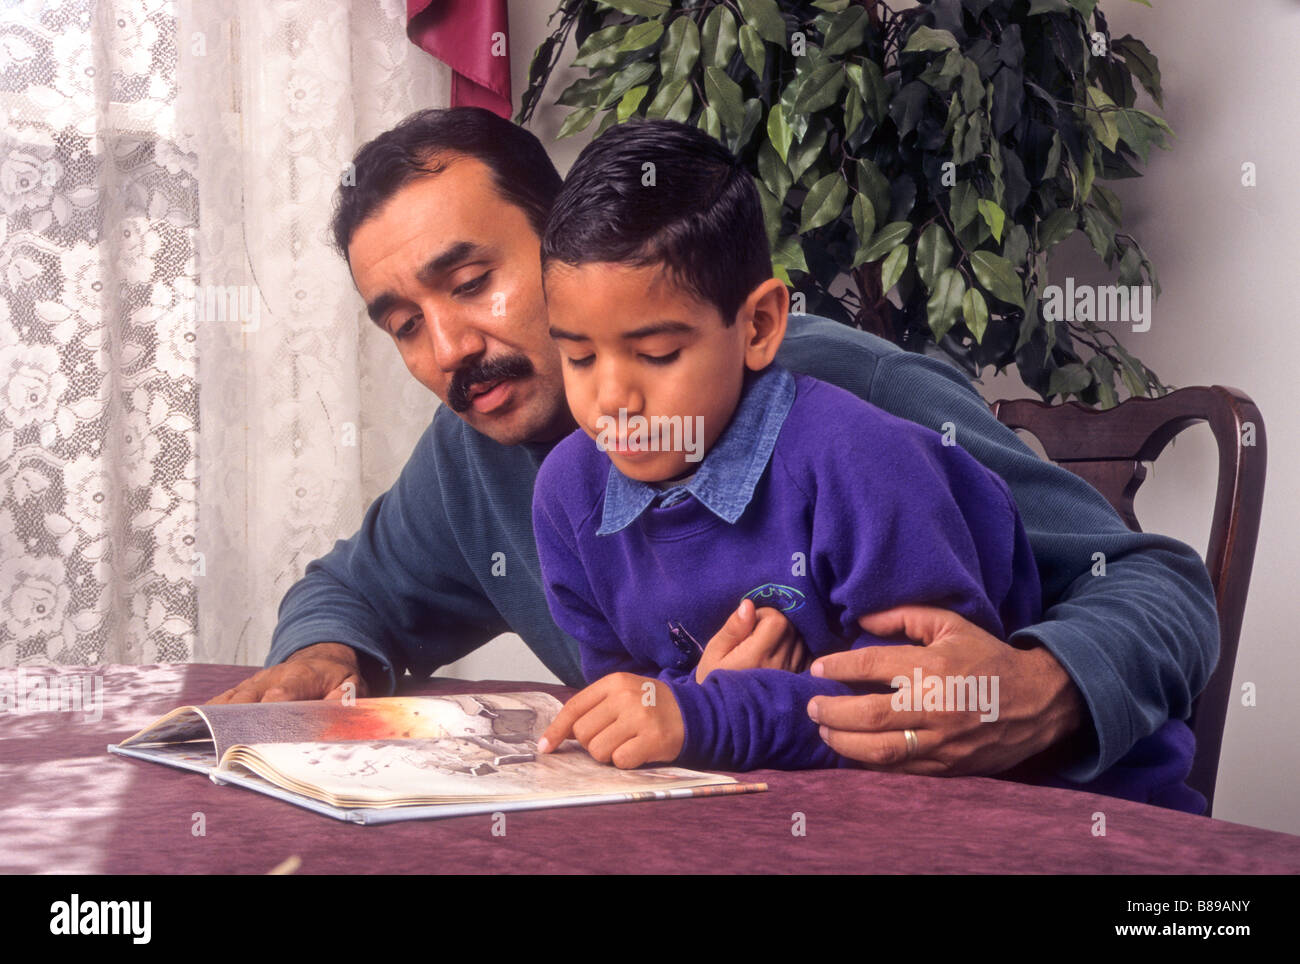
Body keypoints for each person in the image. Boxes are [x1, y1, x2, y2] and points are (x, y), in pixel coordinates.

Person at [209, 107, 1218, 810]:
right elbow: (356, 590)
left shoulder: (839, 399)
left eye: (470, 281)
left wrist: (1041, 688)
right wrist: (325, 653)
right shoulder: (481, 446)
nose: (448, 347)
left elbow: (1158, 583)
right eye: (403, 324)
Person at [528, 120, 1203, 814]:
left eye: (659, 354)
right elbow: (629, 709)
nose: (611, 399)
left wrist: (710, 712)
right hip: (815, 810)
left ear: (758, 327)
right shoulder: (567, 494)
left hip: (1060, 805)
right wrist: (686, 703)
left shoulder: (861, 461)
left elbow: (923, 715)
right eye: (578, 357)